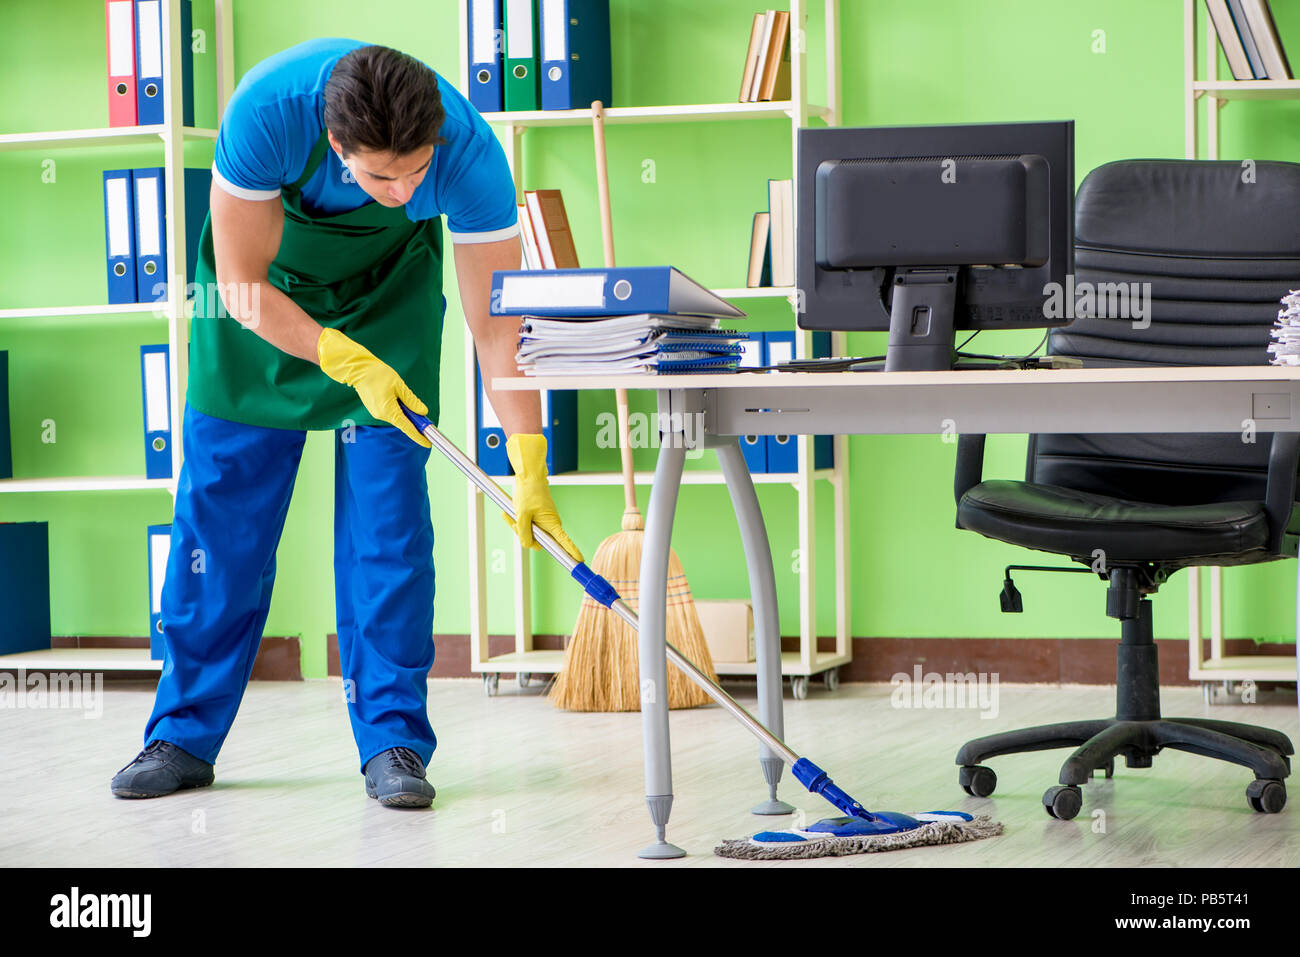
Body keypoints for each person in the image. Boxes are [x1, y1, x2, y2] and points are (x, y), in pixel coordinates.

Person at [110, 39, 580, 809]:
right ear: (336, 145)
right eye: (380, 176)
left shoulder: (470, 156)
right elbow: (240, 285)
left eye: (417, 171)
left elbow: (499, 328)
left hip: (387, 298)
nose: (402, 191)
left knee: (387, 529)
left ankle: (394, 739)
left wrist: (529, 456)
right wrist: (336, 355)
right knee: (220, 521)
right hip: (264, 304)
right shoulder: (267, 114)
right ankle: (183, 734)